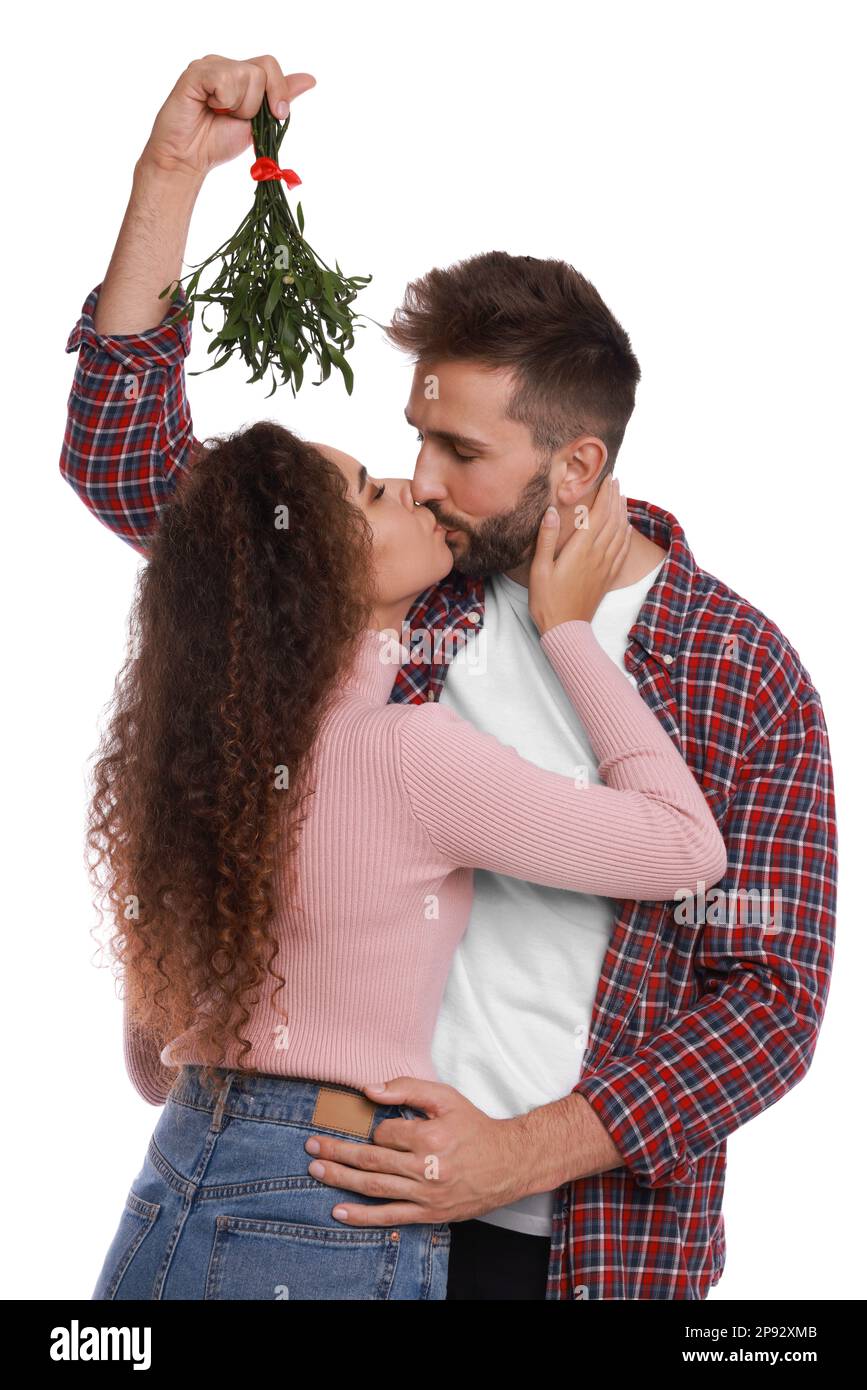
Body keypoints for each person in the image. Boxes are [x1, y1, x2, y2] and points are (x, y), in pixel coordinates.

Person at [61, 54, 837, 1301]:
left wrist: (513, 1156)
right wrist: (168, 178)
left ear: (575, 466)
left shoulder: (741, 672)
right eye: (411, 437)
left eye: (456, 448)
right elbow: (124, 464)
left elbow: (769, 1002)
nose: (415, 475)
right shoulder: (400, 592)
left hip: (582, 1250)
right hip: (337, 1207)